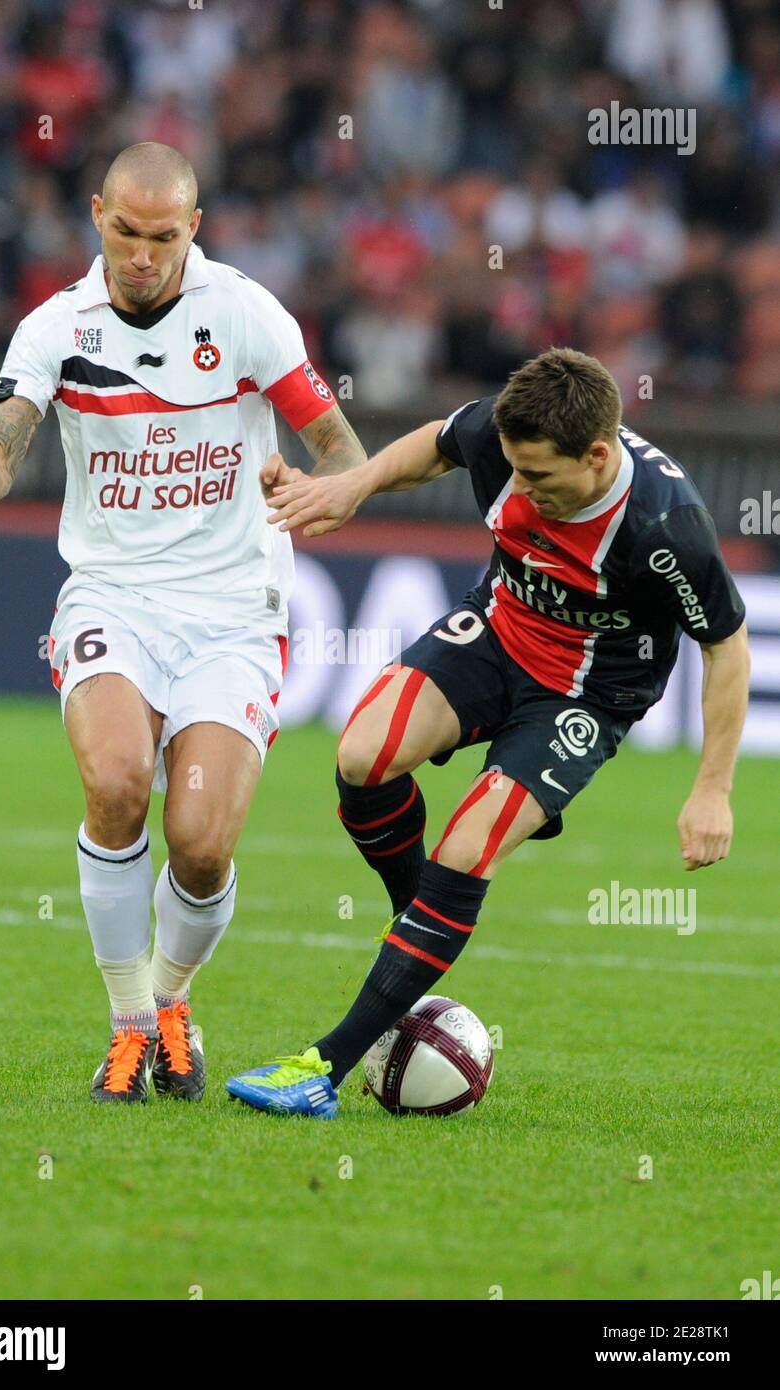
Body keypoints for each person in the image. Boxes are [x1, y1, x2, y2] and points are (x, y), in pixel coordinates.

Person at [225, 346, 750, 1119]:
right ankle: (418, 926)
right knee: (364, 755)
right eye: (514, 470)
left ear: (598, 455)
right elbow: (438, 441)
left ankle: (320, 1068)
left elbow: (726, 645)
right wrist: (353, 485)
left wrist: (712, 790)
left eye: (539, 477)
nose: (523, 490)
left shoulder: (666, 525)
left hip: (585, 694)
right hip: (498, 634)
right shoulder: (508, 435)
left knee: (468, 848)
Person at [0, 141, 365, 1103]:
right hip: (112, 596)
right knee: (118, 782)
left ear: (195, 229)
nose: (142, 255)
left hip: (232, 610)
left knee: (204, 844)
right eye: (125, 233)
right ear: (96, 215)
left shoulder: (247, 314)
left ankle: (174, 1002)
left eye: (162, 236)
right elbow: (8, 444)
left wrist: (327, 487)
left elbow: (337, 441)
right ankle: (130, 1025)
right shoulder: (57, 327)